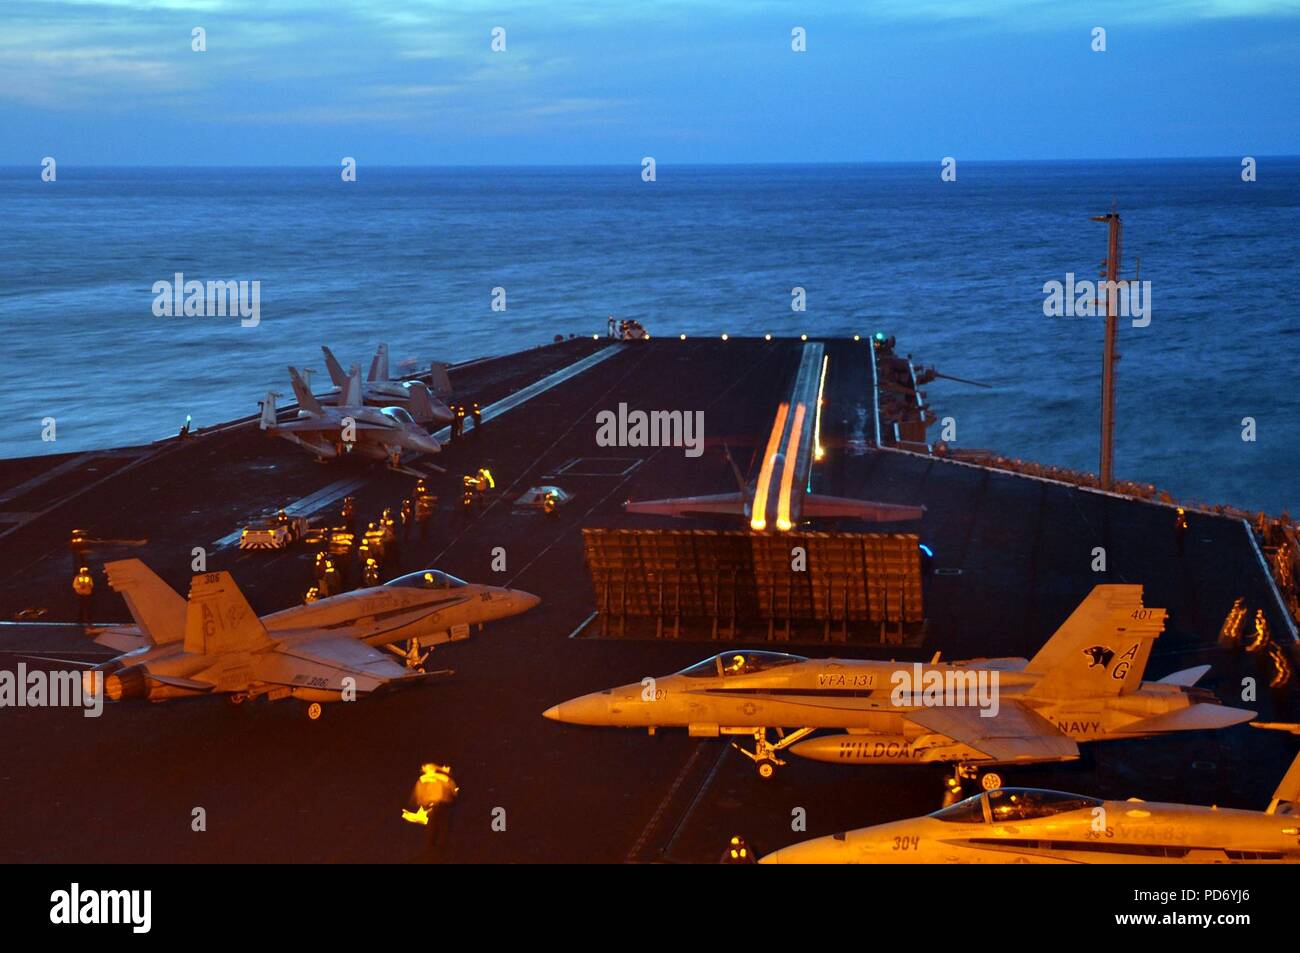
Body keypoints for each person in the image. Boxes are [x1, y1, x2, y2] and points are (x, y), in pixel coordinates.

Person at [402, 763, 460, 860]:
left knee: (439, 828)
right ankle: (433, 850)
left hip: (440, 806)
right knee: (435, 828)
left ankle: (436, 849)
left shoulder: (439, 778)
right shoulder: (426, 780)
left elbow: (453, 790)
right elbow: (419, 795)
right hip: (435, 807)